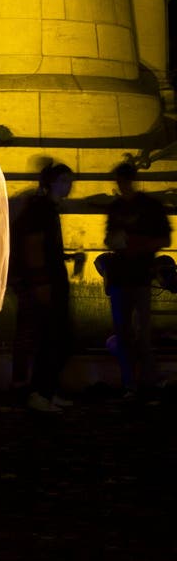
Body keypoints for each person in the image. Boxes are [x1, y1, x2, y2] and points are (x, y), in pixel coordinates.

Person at [10, 163, 82, 413]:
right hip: (44, 284)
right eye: (64, 180)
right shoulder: (40, 209)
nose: (68, 185)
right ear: (51, 183)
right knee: (52, 338)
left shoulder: (48, 209)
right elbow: (33, 245)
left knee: (56, 338)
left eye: (70, 180)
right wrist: (41, 283)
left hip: (49, 281)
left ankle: (46, 391)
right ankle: (39, 392)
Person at [103, 162, 172, 396]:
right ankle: (133, 384)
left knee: (140, 332)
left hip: (139, 276)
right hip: (124, 277)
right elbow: (109, 238)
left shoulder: (149, 207)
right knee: (126, 333)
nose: (122, 186)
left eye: (124, 182)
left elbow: (164, 239)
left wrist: (136, 244)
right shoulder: (119, 207)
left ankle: (142, 383)